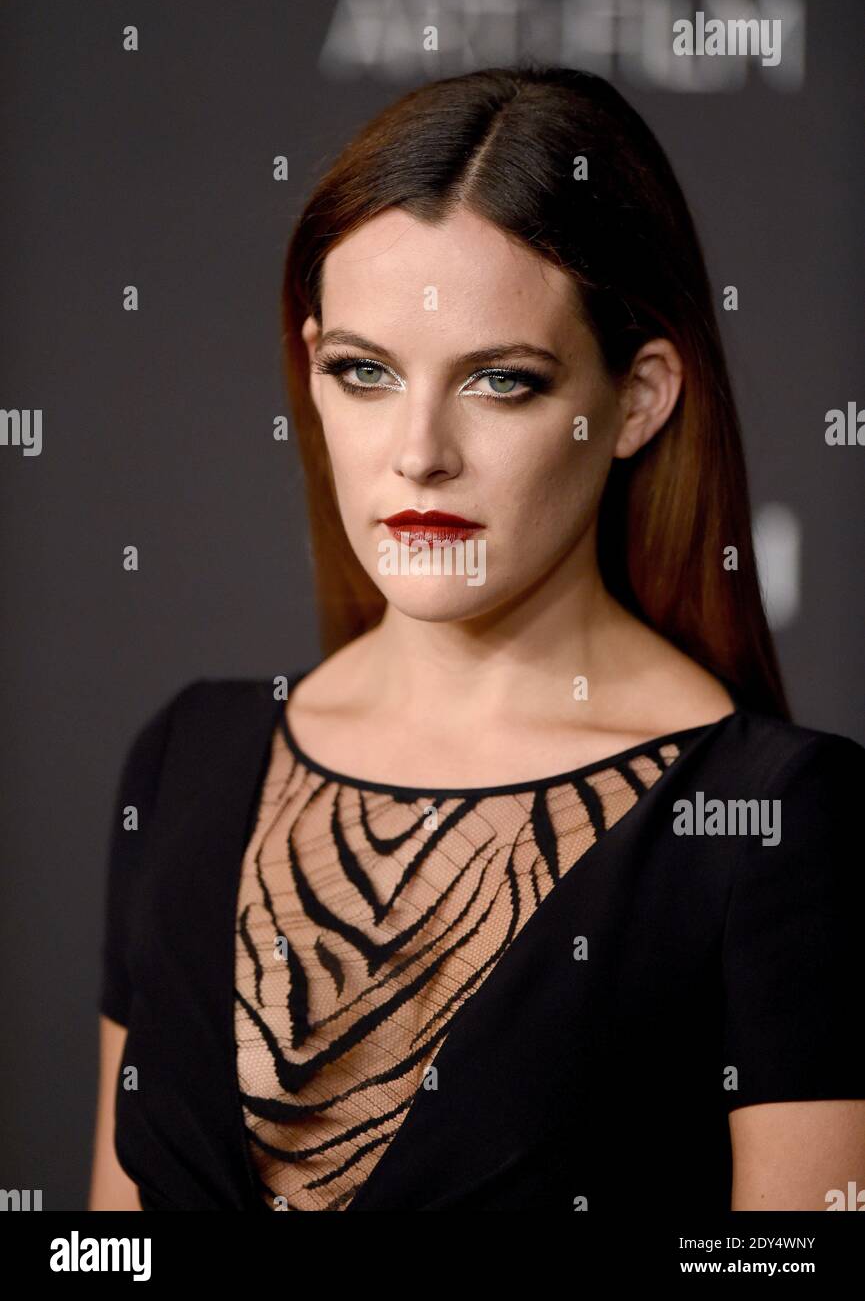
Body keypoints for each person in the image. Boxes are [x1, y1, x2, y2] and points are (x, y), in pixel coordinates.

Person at [89, 64, 865, 1212]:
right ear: (311, 370)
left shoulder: (776, 825)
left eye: (500, 381)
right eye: (365, 372)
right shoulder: (186, 762)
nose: (417, 453)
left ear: (638, 399)